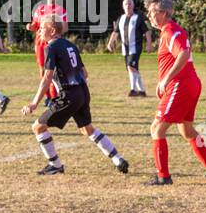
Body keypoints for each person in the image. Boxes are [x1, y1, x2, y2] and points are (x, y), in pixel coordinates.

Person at [21, 17, 128, 176]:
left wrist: (34, 103)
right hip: (83, 92)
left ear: (52, 31)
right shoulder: (71, 45)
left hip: (69, 94)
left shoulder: (51, 47)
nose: (39, 31)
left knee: (38, 127)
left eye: (42, 28)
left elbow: (47, 77)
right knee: (87, 129)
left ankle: (55, 165)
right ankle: (118, 159)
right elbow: (84, 73)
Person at [142, 0, 206, 186]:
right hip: (190, 83)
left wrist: (166, 79)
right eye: (149, 12)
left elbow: (184, 54)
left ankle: (163, 176)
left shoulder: (170, 31)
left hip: (181, 84)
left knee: (156, 129)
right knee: (186, 130)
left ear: (165, 13)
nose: (150, 16)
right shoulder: (169, 31)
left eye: (153, 12)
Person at [105, 0, 152, 96]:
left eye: (130, 3)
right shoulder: (121, 19)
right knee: (133, 68)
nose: (128, 6)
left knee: (131, 66)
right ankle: (142, 91)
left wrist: (148, 44)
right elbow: (115, 32)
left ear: (133, 5)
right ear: (123, 6)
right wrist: (110, 42)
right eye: (126, 4)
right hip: (125, 49)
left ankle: (133, 90)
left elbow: (147, 32)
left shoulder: (138, 18)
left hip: (136, 48)